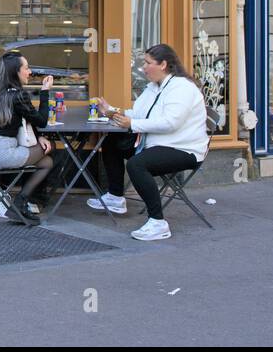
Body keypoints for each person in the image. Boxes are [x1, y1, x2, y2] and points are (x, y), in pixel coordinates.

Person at [88, 44, 209, 241]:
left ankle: (158, 223)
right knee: (112, 141)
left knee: (138, 164)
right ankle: (116, 197)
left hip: (184, 149)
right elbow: (139, 113)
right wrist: (112, 111)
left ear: (163, 64)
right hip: (154, 142)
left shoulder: (182, 88)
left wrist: (132, 124)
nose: (143, 67)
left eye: (147, 63)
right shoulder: (154, 87)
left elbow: (171, 123)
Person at [0, 52, 54, 222]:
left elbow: (27, 120)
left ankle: (20, 203)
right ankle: (20, 202)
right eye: (26, 68)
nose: (30, 72)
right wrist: (45, 92)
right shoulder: (18, 95)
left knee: (46, 162)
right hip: (1, 153)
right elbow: (41, 121)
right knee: (50, 146)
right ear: (15, 72)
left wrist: (38, 136)